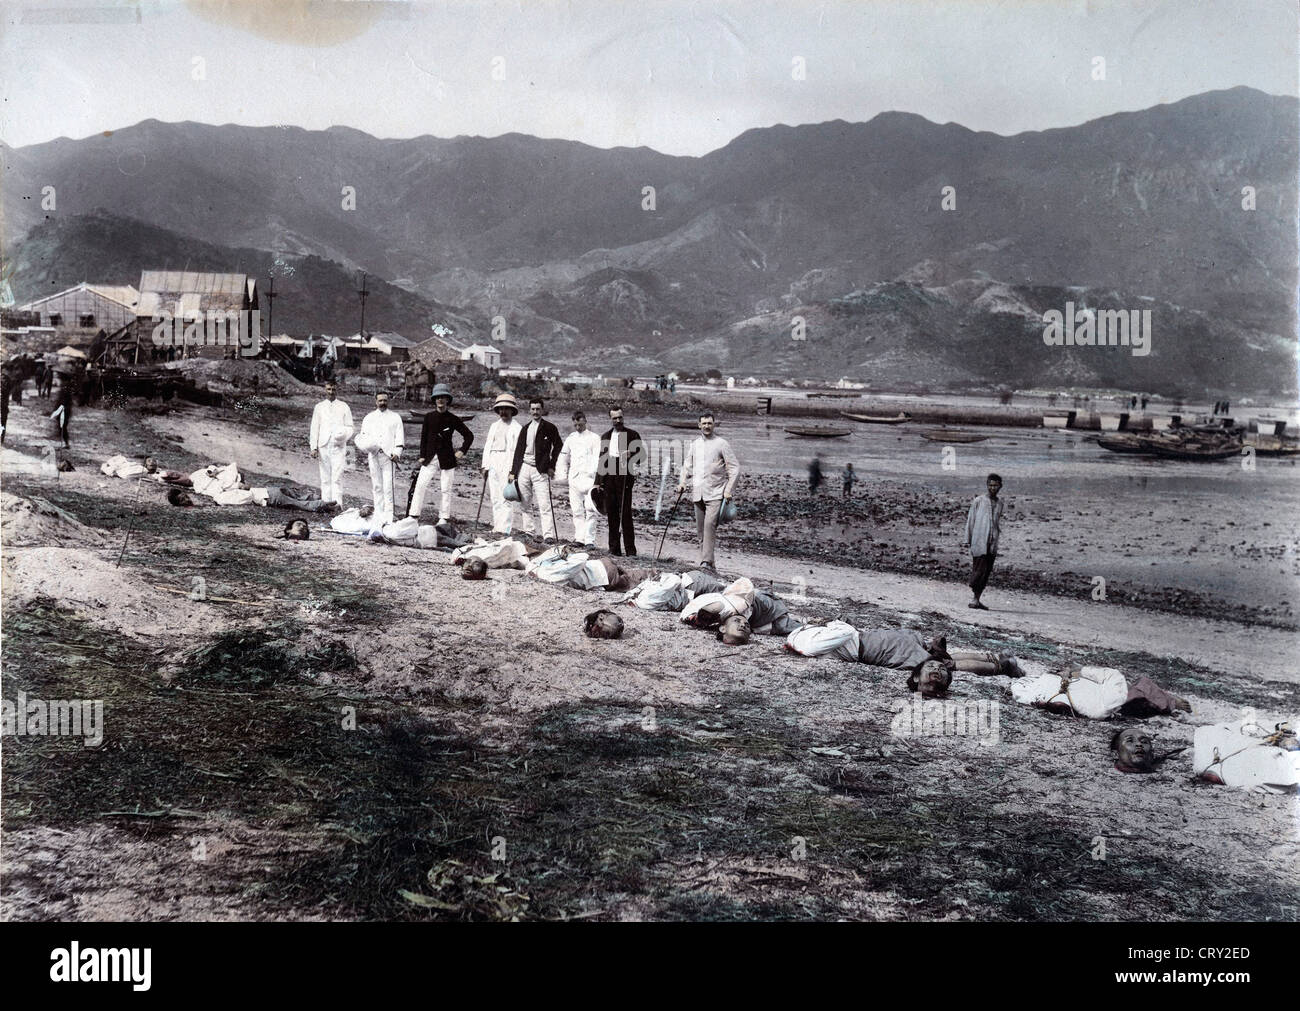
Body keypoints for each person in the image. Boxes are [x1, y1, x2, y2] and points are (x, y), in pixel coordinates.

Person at [677, 413, 739, 571]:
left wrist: (729, 490)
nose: (706, 426)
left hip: (717, 493)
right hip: (698, 493)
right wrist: (682, 482)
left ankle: (705, 562)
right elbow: (686, 465)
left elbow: (734, 468)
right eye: (703, 423)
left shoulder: (722, 444)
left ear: (714, 425)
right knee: (700, 531)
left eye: (709, 423)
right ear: (699, 425)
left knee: (709, 526)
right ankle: (710, 564)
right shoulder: (695, 444)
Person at [409, 383, 473, 523]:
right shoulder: (428, 417)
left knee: (446, 489)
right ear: (434, 400)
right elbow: (424, 438)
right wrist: (421, 456)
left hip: (447, 458)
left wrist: (462, 451)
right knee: (420, 485)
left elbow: (469, 436)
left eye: (443, 397)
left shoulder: (453, 418)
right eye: (437, 397)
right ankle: (414, 515)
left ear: (448, 400)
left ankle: (444, 518)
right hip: (430, 458)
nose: (440, 400)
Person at [509, 397, 562, 543]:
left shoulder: (550, 428)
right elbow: (518, 451)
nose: (535, 412)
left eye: (538, 409)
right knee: (525, 503)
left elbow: (558, 446)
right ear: (529, 410)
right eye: (533, 409)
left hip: (541, 470)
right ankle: (529, 532)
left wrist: (552, 465)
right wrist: (513, 472)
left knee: (544, 504)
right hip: (524, 468)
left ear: (543, 410)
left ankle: (548, 535)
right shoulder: (525, 428)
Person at [595, 404, 645, 556]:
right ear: (610, 419)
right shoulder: (605, 436)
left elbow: (641, 457)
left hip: (624, 477)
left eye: (620, 417)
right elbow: (602, 460)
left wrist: (632, 454)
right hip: (609, 475)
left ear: (623, 417)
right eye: (615, 418)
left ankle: (630, 550)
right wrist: (598, 481)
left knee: (626, 514)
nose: (618, 420)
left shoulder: (632, 434)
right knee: (611, 513)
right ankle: (614, 549)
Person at [355, 392, 405, 525]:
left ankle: (389, 516)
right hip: (373, 456)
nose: (382, 403)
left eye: (385, 400)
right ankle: (379, 513)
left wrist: (397, 452)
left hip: (389, 457)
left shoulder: (395, 417)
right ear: (375, 401)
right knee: (377, 486)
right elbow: (363, 437)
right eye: (380, 400)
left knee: (389, 486)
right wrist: (368, 447)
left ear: (388, 401)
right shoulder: (368, 418)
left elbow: (399, 437)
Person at [557, 409, 601, 548]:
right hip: (574, 478)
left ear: (585, 421)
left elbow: (597, 458)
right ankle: (579, 538)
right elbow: (563, 457)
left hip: (589, 478)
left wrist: (595, 477)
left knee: (590, 510)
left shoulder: (595, 438)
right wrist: (562, 475)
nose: (578, 428)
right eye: (575, 425)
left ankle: (589, 540)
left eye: (580, 425)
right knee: (577, 510)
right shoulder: (571, 438)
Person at [482, 393, 523, 534]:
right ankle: (497, 526)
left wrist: (514, 471)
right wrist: (485, 466)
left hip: (508, 461)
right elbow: (488, 446)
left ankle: (505, 529)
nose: (503, 412)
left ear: (512, 410)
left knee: (506, 496)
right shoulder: (493, 426)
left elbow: (518, 452)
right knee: (495, 497)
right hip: (493, 460)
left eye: (506, 408)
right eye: (501, 409)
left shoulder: (517, 428)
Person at [309, 381, 354, 509]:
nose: (331, 392)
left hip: (338, 446)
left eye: (333, 389)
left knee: (337, 476)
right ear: (325, 389)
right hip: (323, 445)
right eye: (328, 389)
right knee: (325, 476)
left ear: (337, 390)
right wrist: (313, 447)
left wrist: (342, 436)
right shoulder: (319, 407)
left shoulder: (344, 406)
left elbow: (350, 427)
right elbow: (314, 428)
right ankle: (325, 503)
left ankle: (337, 504)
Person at [963, 472, 1003, 610]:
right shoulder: (979, 501)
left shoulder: (1000, 503)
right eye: (990, 485)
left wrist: (996, 538)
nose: (993, 488)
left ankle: (977, 599)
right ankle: (974, 598)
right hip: (979, 540)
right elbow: (971, 520)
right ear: (987, 486)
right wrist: (968, 540)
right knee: (978, 570)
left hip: (992, 543)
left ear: (1000, 487)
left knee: (986, 571)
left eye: (996, 485)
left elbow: (996, 523)